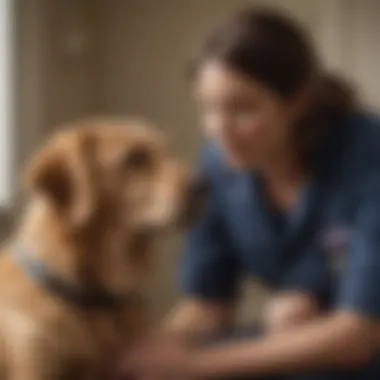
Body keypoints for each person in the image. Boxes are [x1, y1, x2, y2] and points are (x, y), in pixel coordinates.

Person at [123, 7, 380, 380]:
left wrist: (193, 366)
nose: (219, 130)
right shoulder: (217, 163)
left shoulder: (367, 158)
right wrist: (162, 349)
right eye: (208, 108)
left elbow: (359, 334)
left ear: (298, 102)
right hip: (301, 335)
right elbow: (210, 304)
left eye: (242, 108)